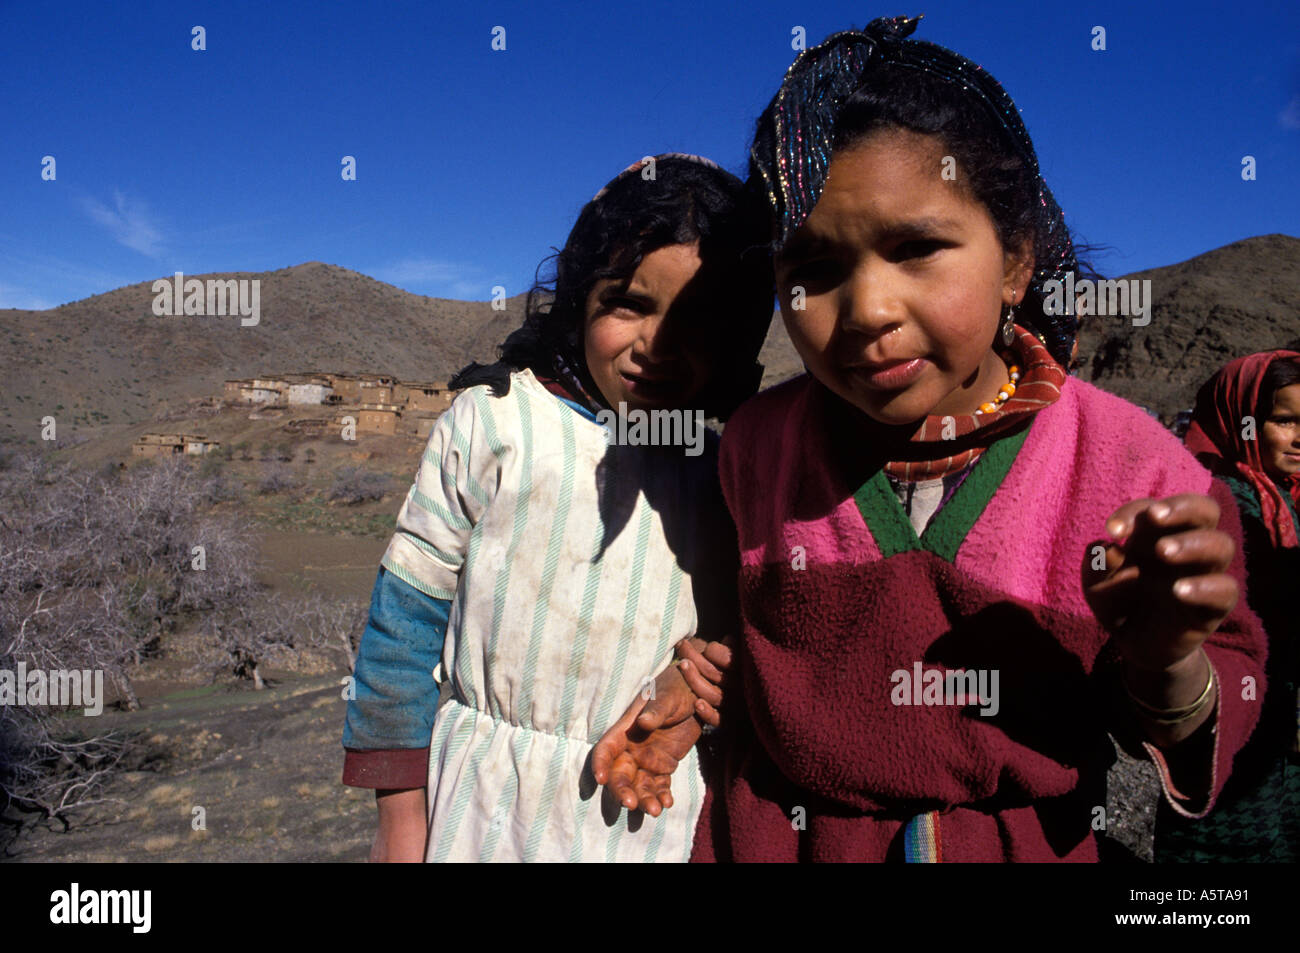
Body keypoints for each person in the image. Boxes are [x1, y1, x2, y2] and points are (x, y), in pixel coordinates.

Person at [595, 16, 1267, 862]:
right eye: (813, 270)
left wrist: (1168, 661)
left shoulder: (1138, 472)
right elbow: (751, 638)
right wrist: (688, 699)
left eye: (917, 248)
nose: (869, 310)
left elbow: (1224, 698)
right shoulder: (758, 448)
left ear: (1016, 258)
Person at [340, 153, 773, 862]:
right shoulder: (495, 423)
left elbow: (743, 636)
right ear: (579, 299)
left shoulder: (727, 469)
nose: (657, 345)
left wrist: (711, 680)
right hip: (476, 810)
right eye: (629, 302)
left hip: (648, 820)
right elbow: (403, 628)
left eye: (697, 318)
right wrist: (401, 819)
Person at [1155, 350, 1300, 861]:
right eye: (1284, 421)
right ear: (1240, 419)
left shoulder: (1284, 502)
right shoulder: (1221, 505)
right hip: (1231, 734)